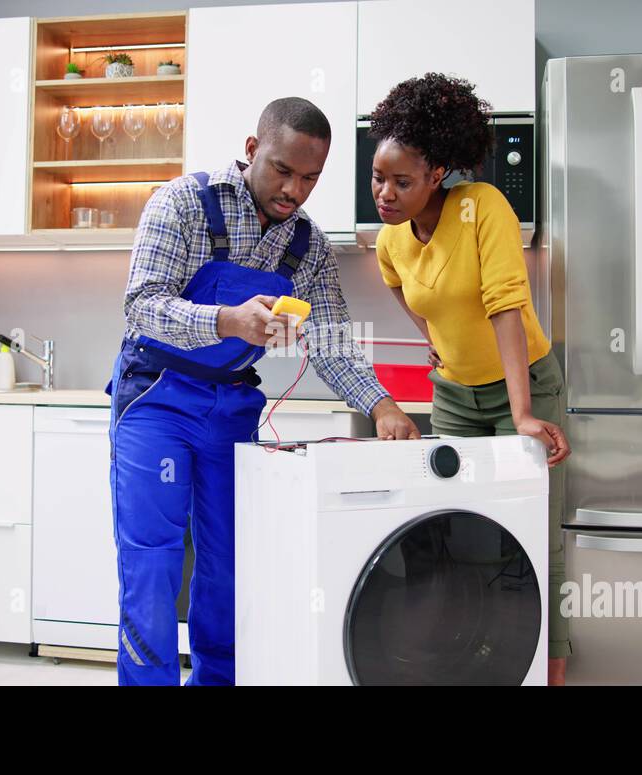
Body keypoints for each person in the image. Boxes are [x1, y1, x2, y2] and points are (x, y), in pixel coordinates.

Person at [107, 97, 419, 686]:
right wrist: (228, 320)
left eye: (310, 177)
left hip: (231, 407)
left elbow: (329, 341)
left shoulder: (309, 246)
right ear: (252, 150)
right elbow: (141, 307)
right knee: (153, 563)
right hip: (157, 400)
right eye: (282, 170)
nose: (294, 190)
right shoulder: (181, 203)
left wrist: (382, 406)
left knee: (229, 566)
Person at [367, 73, 574, 684]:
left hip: (525, 386)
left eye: (402, 181)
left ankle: (548, 676)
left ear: (438, 174)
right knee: (454, 531)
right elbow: (404, 291)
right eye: (379, 177)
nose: (386, 192)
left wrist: (523, 415)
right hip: (454, 396)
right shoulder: (389, 241)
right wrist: (438, 343)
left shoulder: (482, 206)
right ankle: (473, 663)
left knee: (537, 536)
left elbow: (505, 305)